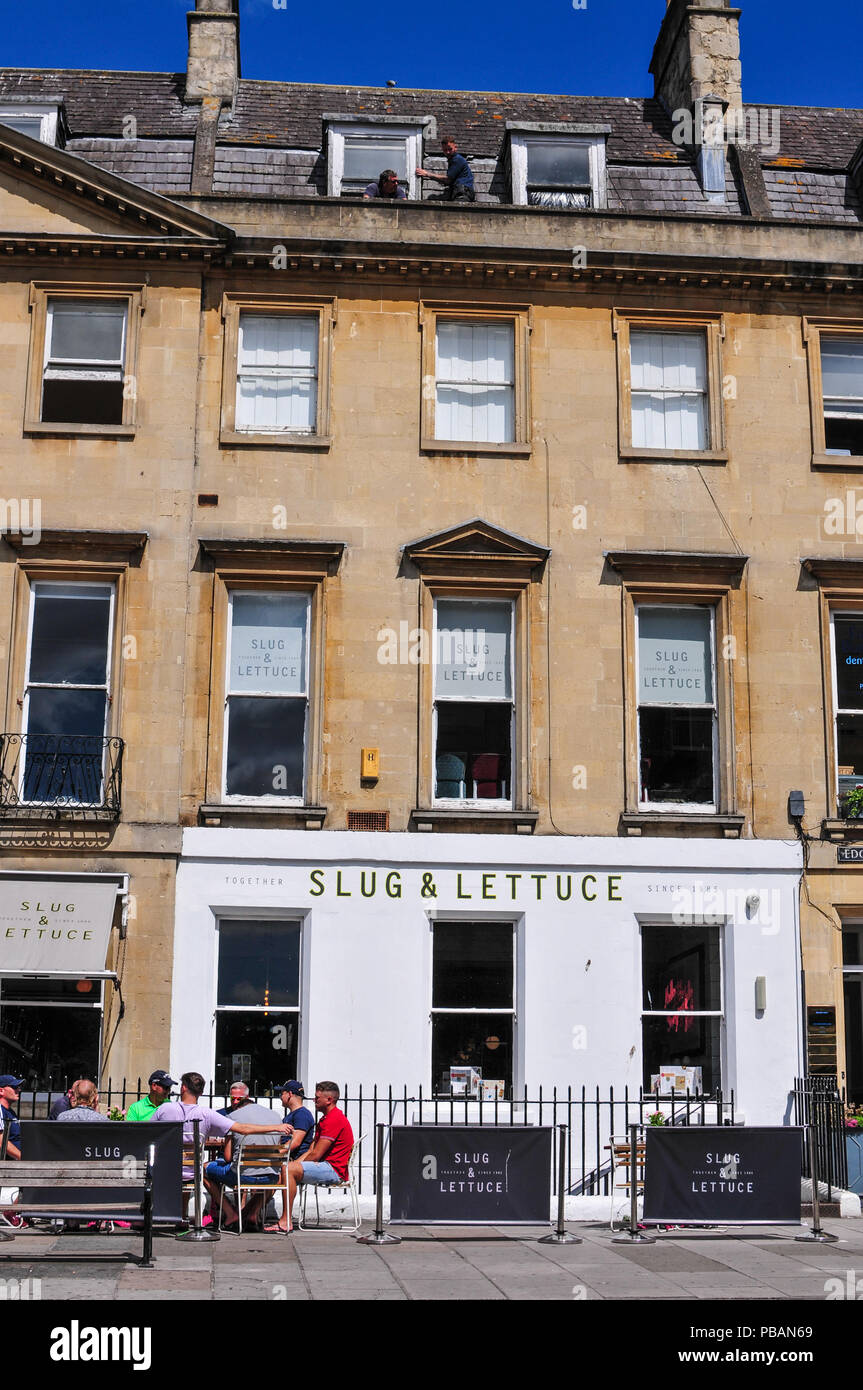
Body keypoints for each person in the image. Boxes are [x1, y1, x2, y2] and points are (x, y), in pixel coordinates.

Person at [154, 1071, 292, 1222]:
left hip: (165, 1172)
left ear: (183, 1088)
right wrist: (276, 1127)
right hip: (190, 1173)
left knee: (199, 1168)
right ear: (201, 1092)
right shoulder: (207, 1114)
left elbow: (146, 1133)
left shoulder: (164, 1109)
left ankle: (182, 1216)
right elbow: (243, 1128)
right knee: (194, 1168)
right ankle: (231, 1214)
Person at [204, 1091, 286, 1231]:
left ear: (239, 1107)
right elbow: (277, 1151)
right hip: (270, 1177)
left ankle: (231, 1214)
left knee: (204, 1169)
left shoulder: (233, 1117)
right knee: (271, 1177)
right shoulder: (276, 1116)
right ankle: (252, 1214)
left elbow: (228, 1157)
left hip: (240, 1176)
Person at [285, 1081, 354, 1230]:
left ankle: (285, 1220)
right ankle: (249, 1215)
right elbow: (311, 1151)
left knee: (288, 1171)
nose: (313, 1100)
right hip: (324, 1166)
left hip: (333, 1170)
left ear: (329, 1100)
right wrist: (295, 1164)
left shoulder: (334, 1119)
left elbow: (316, 1155)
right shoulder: (325, 1119)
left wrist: (294, 1167)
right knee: (286, 1169)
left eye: (317, 1097)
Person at [267, 1081, 315, 1233]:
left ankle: (248, 1214)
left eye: (281, 1093)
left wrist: (273, 1153)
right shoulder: (295, 1114)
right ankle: (248, 1214)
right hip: (284, 1159)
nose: (280, 1097)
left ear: (290, 1094)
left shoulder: (302, 1114)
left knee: (267, 1174)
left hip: (293, 1161)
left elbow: (295, 1142)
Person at [416, 136, 475, 202]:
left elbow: (447, 180)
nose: (447, 152)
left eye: (450, 149)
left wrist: (427, 174)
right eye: (445, 150)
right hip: (460, 192)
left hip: (462, 194)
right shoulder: (453, 160)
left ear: (455, 147)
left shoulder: (457, 160)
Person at [0, 1077, 23, 1159]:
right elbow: (1, 1141)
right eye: (14, 1087)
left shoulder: (10, 1111)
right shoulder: (0, 1110)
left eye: (19, 1087)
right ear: (1, 1091)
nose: (18, 1090)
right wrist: (23, 1158)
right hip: (9, 1165)